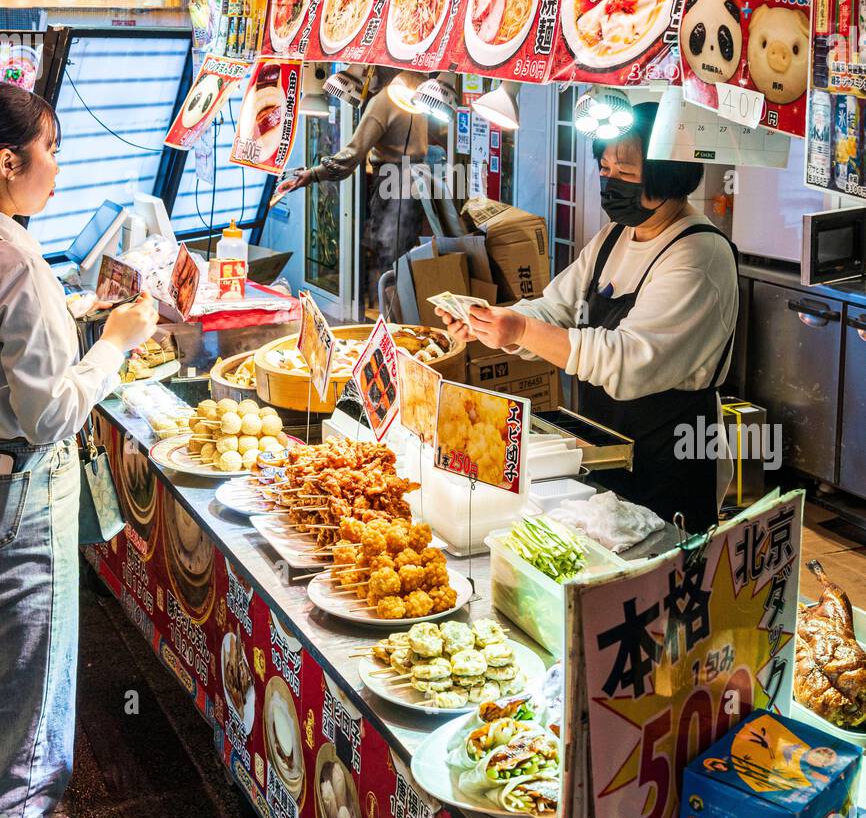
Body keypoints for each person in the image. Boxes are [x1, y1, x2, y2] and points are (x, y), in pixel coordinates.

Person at [436, 103, 738, 533]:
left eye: (627, 172)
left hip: (671, 457)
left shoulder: (698, 254)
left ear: (668, 175)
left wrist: (521, 330)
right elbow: (555, 307)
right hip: (605, 439)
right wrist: (495, 322)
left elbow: (629, 360)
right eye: (605, 167)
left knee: (662, 577)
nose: (611, 181)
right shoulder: (614, 236)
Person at [0, 85, 158, 818]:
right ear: (8, 160)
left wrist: (77, 312)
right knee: (31, 731)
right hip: (24, 494)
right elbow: (51, 414)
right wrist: (116, 344)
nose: (58, 166)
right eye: (51, 149)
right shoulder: (17, 259)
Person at [275, 68, 429, 285]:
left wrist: (314, 174)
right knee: (403, 257)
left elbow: (353, 154)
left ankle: (393, 315)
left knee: (390, 258)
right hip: (415, 184)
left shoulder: (385, 100)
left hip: (393, 182)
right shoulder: (415, 95)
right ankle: (401, 312)